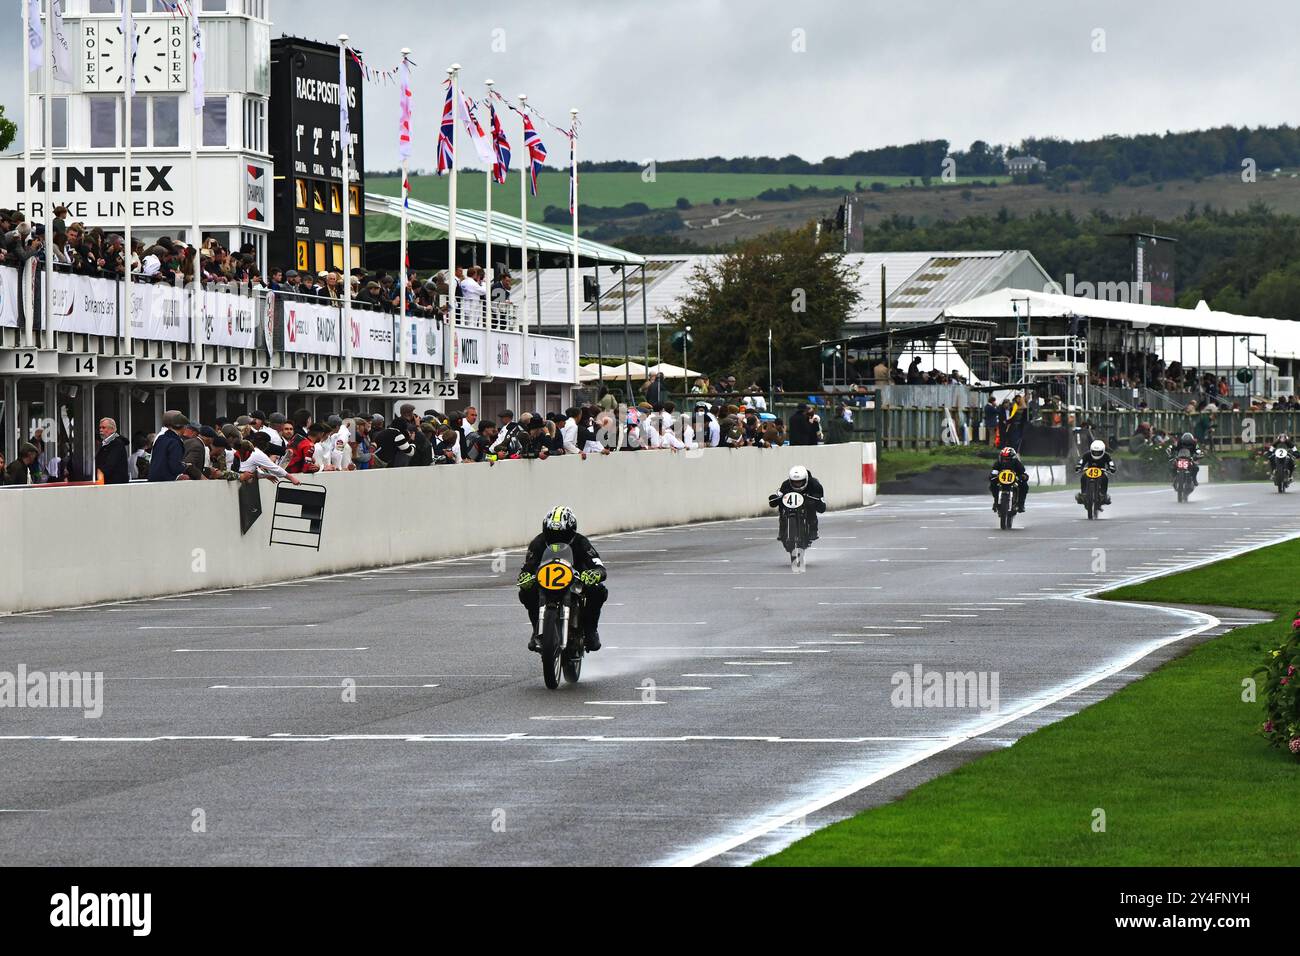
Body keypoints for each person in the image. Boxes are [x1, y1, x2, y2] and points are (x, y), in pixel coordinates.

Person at [516, 506, 608, 653]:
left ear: (571, 531)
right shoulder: (538, 542)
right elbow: (528, 566)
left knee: (598, 590)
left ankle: (591, 630)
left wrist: (595, 574)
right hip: (546, 581)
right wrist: (525, 577)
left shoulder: (581, 542)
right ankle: (536, 629)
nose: (556, 539)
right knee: (525, 591)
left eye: (562, 534)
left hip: (576, 579)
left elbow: (598, 565)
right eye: (552, 534)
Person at [768, 465, 826, 546]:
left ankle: (813, 529)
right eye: (795, 481)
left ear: (805, 479)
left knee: (811, 505)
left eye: (800, 481)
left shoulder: (815, 485)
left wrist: (816, 500)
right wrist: (775, 499)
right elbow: (778, 496)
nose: (797, 484)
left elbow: (822, 507)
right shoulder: (786, 484)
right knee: (782, 504)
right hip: (790, 505)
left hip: (807, 503)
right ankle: (782, 528)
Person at [147, 411, 188, 482]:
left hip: (153, 479)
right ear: (182, 427)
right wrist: (185, 467)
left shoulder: (160, 438)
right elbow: (175, 467)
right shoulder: (175, 442)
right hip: (166, 482)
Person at [1074, 439, 1117, 506]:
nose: (1096, 454)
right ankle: (1084, 494)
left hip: (1102, 471)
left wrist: (1112, 468)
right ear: (1091, 450)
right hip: (1089, 471)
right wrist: (1079, 466)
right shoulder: (1087, 454)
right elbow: (1082, 461)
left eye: (1098, 452)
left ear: (1103, 451)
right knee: (1083, 476)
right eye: (1095, 452)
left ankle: (1103, 494)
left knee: (1105, 478)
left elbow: (1110, 463)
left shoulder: (1106, 455)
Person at [989, 445, 1029, 514]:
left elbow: (1023, 472)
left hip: (1014, 480)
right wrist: (993, 475)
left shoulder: (1017, 463)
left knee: (1024, 486)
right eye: (1004, 458)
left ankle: (1021, 505)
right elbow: (994, 470)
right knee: (992, 485)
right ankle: (996, 501)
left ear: (1012, 458)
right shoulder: (998, 463)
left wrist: (1023, 476)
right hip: (1001, 481)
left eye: (1007, 459)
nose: (1005, 460)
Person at [94, 418, 130, 484]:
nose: (100, 430)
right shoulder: (107, 443)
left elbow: (109, 465)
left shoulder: (117, 444)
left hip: (115, 485)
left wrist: (100, 472)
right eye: (100, 428)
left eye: (103, 427)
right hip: (109, 484)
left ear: (112, 429)